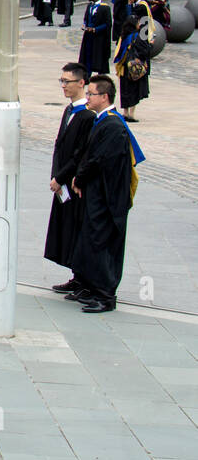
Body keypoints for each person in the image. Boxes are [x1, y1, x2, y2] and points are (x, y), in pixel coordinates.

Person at [70, 76, 144, 313]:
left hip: (108, 198)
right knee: (93, 240)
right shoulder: (104, 121)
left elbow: (98, 159)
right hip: (99, 194)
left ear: (105, 97)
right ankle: (92, 288)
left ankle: (105, 295)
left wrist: (80, 178)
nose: (88, 97)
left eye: (91, 93)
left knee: (102, 242)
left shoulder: (112, 125)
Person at [44, 62, 94, 295]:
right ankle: (75, 274)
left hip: (75, 183)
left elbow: (79, 153)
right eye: (61, 81)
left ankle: (83, 277)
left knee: (77, 228)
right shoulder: (69, 110)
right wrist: (55, 175)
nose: (63, 86)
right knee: (65, 229)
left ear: (81, 83)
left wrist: (62, 177)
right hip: (62, 182)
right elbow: (59, 144)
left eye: (67, 81)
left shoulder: (87, 115)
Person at [114, 11, 149, 122]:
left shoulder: (123, 37)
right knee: (134, 90)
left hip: (124, 66)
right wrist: (151, 44)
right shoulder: (138, 36)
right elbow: (144, 51)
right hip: (133, 66)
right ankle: (131, 114)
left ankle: (125, 112)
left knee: (124, 89)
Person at [78, 0, 112, 76]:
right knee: (88, 55)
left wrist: (95, 29)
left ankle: (101, 75)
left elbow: (108, 24)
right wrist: (84, 25)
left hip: (99, 37)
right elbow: (86, 18)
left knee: (98, 56)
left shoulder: (105, 8)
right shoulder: (90, 6)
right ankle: (87, 74)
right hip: (88, 36)